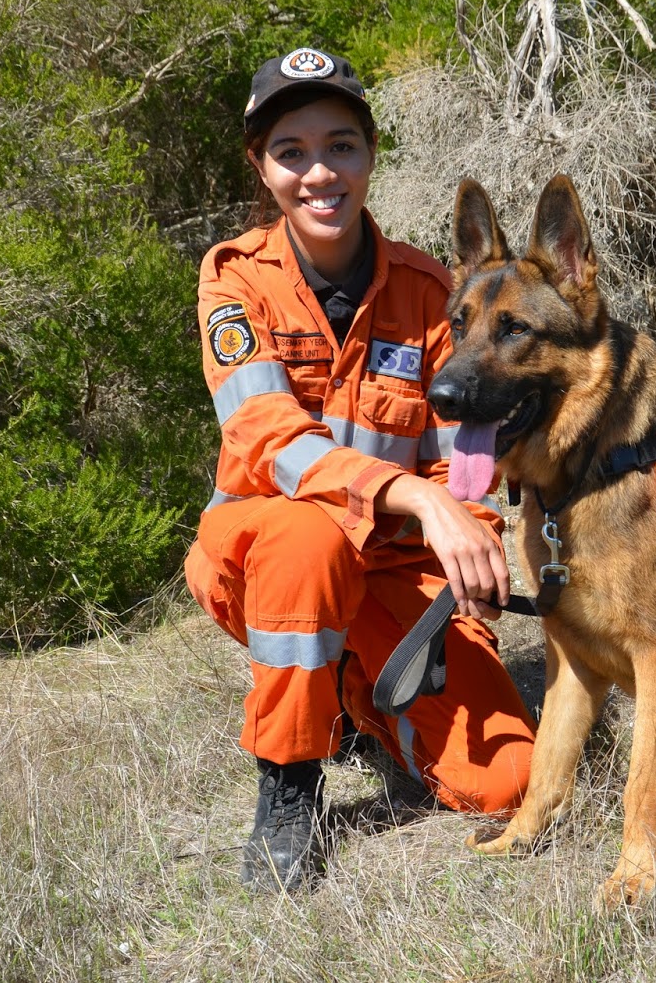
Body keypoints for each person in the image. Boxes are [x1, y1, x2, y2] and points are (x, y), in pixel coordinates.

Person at [183, 47, 536, 891]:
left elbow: (461, 466)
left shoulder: (430, 291)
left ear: (372, 153)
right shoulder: (233, 280)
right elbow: (268, 435)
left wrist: (472, 565)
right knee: (307, 539)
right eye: (292, 151)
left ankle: (351, 689)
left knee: (508, 783)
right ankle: (289, 782)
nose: (320, 173)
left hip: (393, 572)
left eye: (340, 145)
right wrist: (408, 492)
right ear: (261, 167)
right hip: (263, 555)